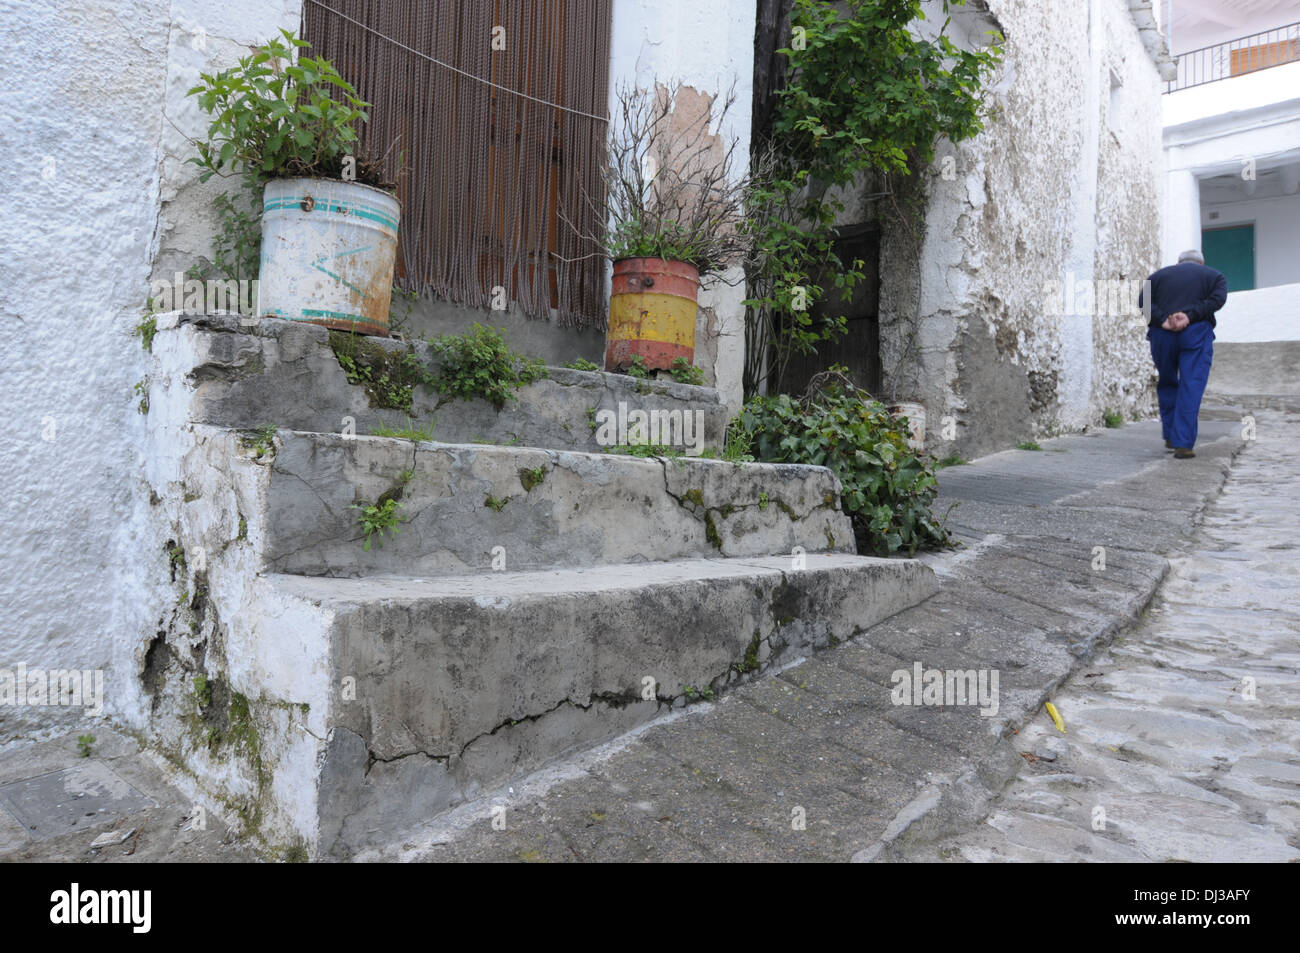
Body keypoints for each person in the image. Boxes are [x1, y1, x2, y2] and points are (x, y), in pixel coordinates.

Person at [1138, 249, 1228, 459]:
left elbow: (1143, 302)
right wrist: (1188, 316)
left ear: (1179, 263)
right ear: (1201, 263)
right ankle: (1182, 443)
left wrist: (1162, 320)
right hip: (1195, 333)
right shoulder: (1214, 276)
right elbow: (1217, 300)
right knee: (1191, 384)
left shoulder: (1158, 276)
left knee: (1168, 382)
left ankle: (1170, 435)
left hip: (1162, 334)